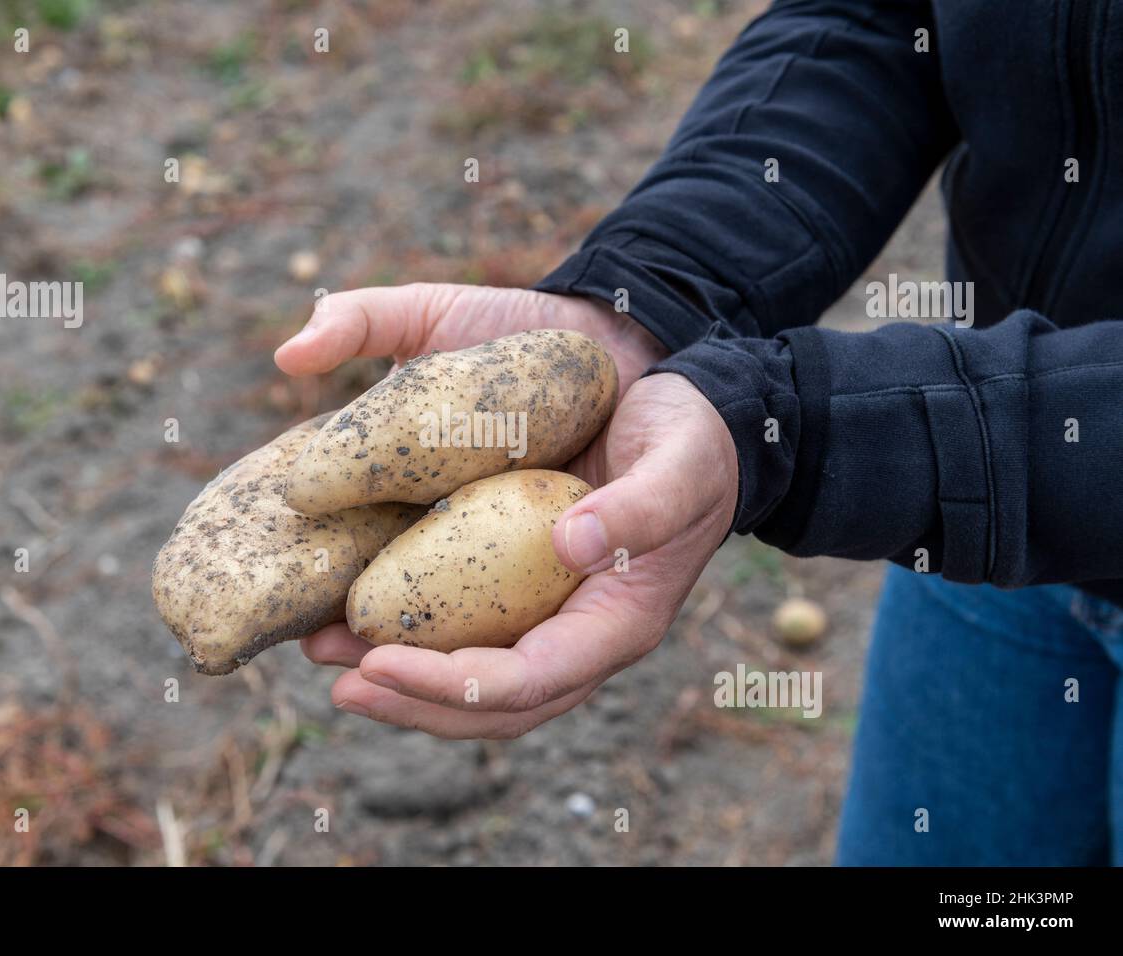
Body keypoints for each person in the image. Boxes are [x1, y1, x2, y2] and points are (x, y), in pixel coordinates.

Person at [273, 0, 1123, 866]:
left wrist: (791, 427)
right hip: (990, 522)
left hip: (982, 466)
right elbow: (874, 20)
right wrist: (651, 296)